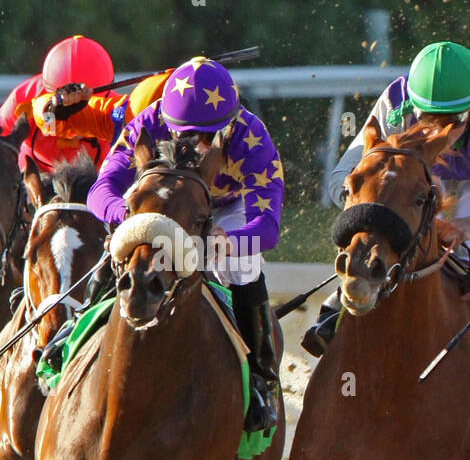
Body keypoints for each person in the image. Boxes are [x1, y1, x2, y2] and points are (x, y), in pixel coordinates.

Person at [88, 56, 284, 433]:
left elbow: (268, 225)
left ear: (230, 122)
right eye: (187, 134)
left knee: (242, 264)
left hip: (227, 209)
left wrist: (231, 240)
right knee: (115, 248)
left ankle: (261, 378)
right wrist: (127, 219)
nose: (198, 144)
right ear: (169, 121)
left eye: (208, 136)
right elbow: (102, 190)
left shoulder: (251, 137)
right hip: (166, 204)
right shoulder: (148, 121)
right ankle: (73, 342)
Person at [305, 42, 470, 354]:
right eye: (427, 117)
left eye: (453, 118)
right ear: (413, 104)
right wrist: (380, 211)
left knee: (468, 248)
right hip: (415, 180)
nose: (438, 131)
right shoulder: (396, 105)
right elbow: (341, 179)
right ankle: (339, 305)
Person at [0, 36, 127, 172]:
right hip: (29, 179)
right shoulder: (23, 99)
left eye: (84, 109)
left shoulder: (116, 115)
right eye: (67, 110)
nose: (72, 125)